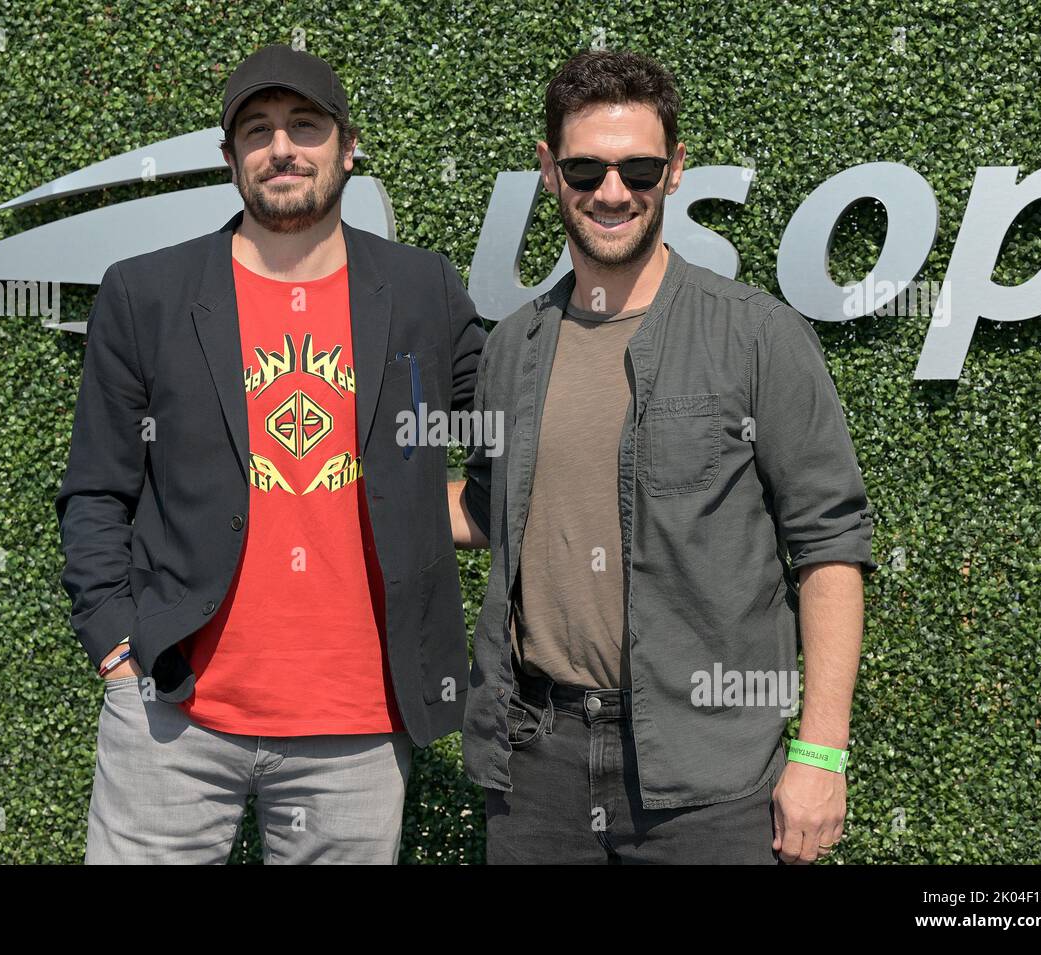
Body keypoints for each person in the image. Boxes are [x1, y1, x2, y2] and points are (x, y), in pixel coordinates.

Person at [57, 43, 485, 863]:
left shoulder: (422, 287)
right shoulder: (147, 294)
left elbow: (510, 419)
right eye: (257, 130)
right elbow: (96, 491)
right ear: (230, 159)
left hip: (357, 728)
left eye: (305, 125)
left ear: (347, 147)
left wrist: (457, 510)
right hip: (173, 712)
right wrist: (118, 646)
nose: (281, 146)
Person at [449, 49, 877, 864]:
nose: (613, 192)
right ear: (549, 170)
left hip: (708, 773)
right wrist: (339, 491)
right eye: (586, 169)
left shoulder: (757, 335)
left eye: (639, 167)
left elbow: (829, 543)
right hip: (538, 765)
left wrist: (821, 755)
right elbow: (485, 506)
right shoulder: (513, 348)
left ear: (676, 169)